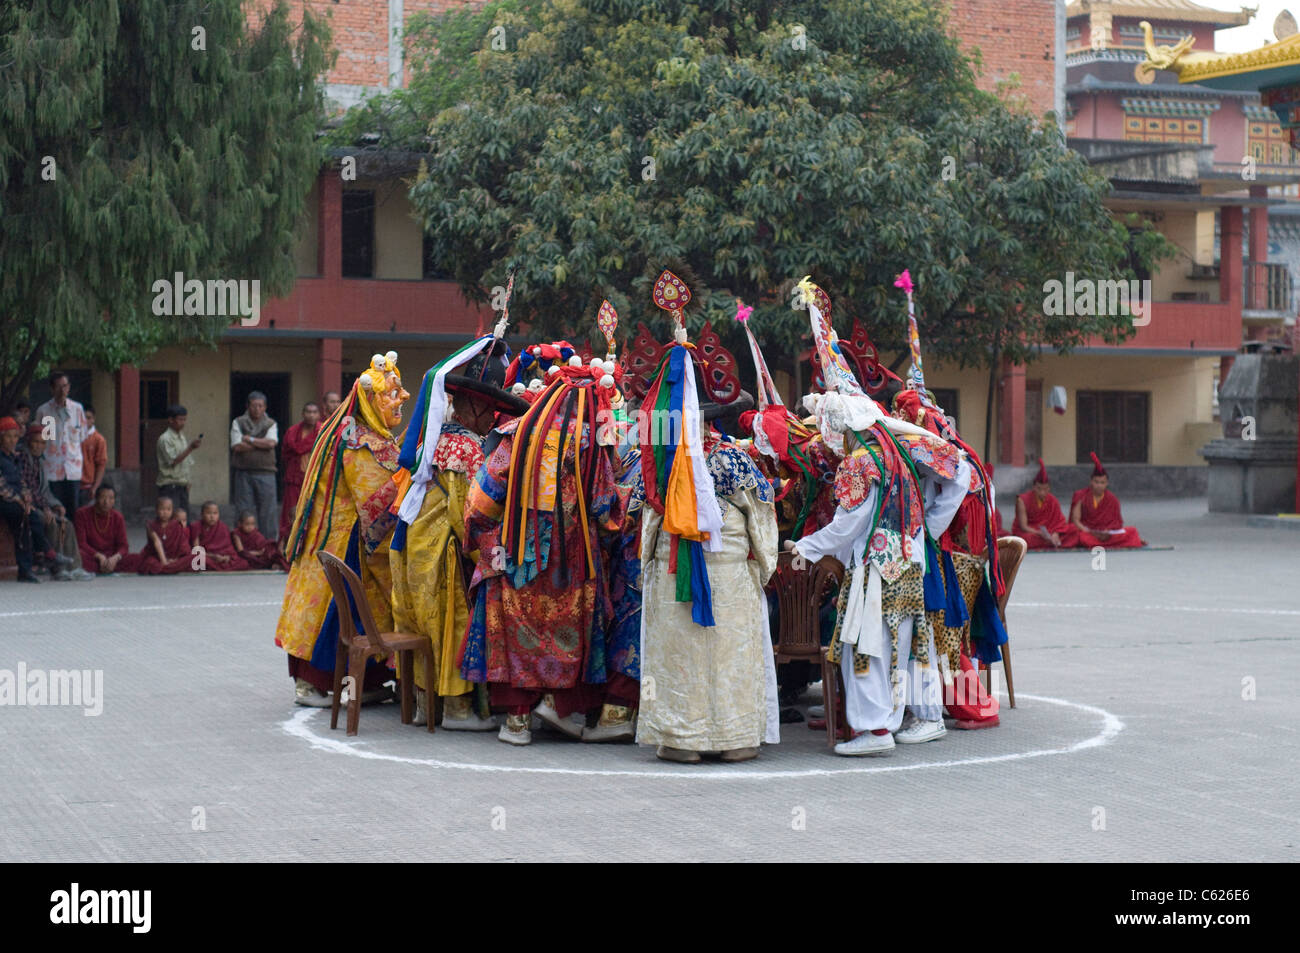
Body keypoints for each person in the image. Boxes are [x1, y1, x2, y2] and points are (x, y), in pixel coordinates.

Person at [790, 277, 971, 756]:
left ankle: (873, 730)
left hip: (875, 569)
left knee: (865, 645)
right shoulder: (897, 452)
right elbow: (961, 470)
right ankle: (895, 722)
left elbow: (850, 524)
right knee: (906, 642)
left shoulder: (860, 461)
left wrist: (804, 547)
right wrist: (921, 533)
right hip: (909, 563)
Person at [631, 272, 777, 764]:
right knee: (730, 659)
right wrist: (761, 565)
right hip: (730, 575)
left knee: (684, 663)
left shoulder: (657, 463)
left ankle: (683, 741)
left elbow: (647, 523)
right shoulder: (737, 460)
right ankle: (736, 739)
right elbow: (763, 521)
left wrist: (648, 567)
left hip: (677, 577)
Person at [458, 337, 630, 746]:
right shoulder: (588, 444)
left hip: (516, 556)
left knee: (517, 628)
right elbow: (606, 512)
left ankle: (516, 721)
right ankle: (558, 705)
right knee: (565, 628)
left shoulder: (513, 436)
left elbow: (480, 502)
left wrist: (486, 544)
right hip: (572, 563)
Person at [390, 331, 530, 730]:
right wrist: (487, 555)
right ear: (470, 406)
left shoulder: (429, 439)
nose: (492, 420)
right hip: (438, 553)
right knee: (449, 625)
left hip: (408, 547)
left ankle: (422, 705)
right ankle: (455, 710)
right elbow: (465, 515)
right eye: (488, 411)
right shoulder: (465, 447)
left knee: (419, 623)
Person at [276, 353, 409, 707]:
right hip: (340, 542)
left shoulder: (352, 431)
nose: (402, 400)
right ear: (370, 399)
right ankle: (311, 682)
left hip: (337, 540)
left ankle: (361, 684)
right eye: (391, 395)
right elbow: (376, 501)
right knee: (333, 610)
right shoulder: (360, 441)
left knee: (359, 609)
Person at [18, 424, 82, 579]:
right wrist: (47, 508)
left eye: (42, 443)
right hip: (27, 504)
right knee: (52, 522)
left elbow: (44, 490)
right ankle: (56, 568)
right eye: (36, 442)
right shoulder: (23, 458)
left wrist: (55, 505)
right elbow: (29, 489)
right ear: (28, 442)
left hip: (40, 503)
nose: (39, 446)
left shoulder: (39, 462)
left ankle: (74, 567)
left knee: (67, 523)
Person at [35, 371, 87, 514]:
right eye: (58, 387)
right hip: (52, 469)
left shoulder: (77, 409)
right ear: (52, 389)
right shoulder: (44, 411)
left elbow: (82, 436)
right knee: (55, 509)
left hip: (72, 469)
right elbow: (44, 439)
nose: (62, 390)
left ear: (69, 387)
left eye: (65, 386)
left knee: (73, 510)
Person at [1071, 452, 1145, 549]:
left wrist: (1108, 532)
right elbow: (1075, 520)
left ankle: (1107, 543)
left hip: (1108, 534)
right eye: (1096, 482)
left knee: (1132, 531)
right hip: (1088, 532)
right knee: (1081, 537)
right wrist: (1088, 531)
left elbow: (1117, 523)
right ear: (1091, 482)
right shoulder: (1081, 496)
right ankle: (1116, 543)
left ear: (1107, 483)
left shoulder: (1112, 499)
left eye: (1102, 482)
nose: (1099, 485)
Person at [230, 391, 278, 537]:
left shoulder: (271, 423)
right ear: (247, 406)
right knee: (244, 510)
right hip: (243, 472)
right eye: (254, 405)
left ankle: (268, 545)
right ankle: (243, 544)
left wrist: (249, 440)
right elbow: (236, 446)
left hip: (266, 473)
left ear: (265, 407)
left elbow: (271, 443)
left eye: (260, 406)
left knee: (268, 512)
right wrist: (261, 444)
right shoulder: (238, 422)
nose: (257, 409)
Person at [0, 416, 42, 583]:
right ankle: (43, 556)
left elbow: (22, 481)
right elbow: (2, 487)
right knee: (22, 516)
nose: (12, 440)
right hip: (4, 500)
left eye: (15, 436)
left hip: (16, 500)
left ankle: (36, 560)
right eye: (8, 436)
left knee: (33, 516)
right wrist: (18, 500)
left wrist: (26, 497)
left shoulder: (15, 457)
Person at [278, 402, 322, 546]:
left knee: (314, 513)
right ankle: (287, 546)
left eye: (314, 412)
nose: (311, 415)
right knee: (290, 514)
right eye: (308, 412)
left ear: (319, 415)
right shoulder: (292, 432)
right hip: (295, 479)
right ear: (303, 414)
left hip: (315, 480)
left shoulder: (323, 431)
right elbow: (285, 454)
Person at [1014, 459, 1080, 550]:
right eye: (1039, 489)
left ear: (1049, 488)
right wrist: (1039, 533)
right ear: (1033, 487)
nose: (1042, 492)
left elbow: (1060, 522)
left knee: (1073, 530)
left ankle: (1052, 541)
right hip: (1033, 532)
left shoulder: (1053, 500)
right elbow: (1023, 526)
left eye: (1045, 489)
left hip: (1050, 532)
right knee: (1024, 539)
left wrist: (1055, 534)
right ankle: (1052, 543)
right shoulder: (1022, 500)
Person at [123, 495, 193, 575]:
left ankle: (167, 568)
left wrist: (176, 559)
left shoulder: (177, 525)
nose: (165, 512)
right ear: (156, 510)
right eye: (162, 509)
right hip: (157, 558)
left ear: (172, 511)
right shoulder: (151, 525)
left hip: (175, 559)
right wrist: (164, 562)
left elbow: (183, 545)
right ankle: (170, 568)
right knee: (149, 564)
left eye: (168, 509)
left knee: (193, 558)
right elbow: (157, 542)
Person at [74, 484, 129, 575]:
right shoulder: (82, 514)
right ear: (96, 499)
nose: (106, 502)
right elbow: (81, 543)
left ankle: (107, 566)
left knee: (136, 558)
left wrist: (115, 558)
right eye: (103, 497)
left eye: (111, 498)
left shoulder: (117, 517)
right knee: (79, 556)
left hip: (111, 556)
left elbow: (124, 546)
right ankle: (105, 567)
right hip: (91, 556)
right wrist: (99, 556)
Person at [157, 404, 200, 515]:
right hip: (170, 485)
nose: (183, 422)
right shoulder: (165, 438)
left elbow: (187, 461)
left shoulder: (181, 436)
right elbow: (173, 461)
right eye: (180, 419)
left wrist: (188, 481)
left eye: (184, 419)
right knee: (171, 518)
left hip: (182, 484)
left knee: (183, 519)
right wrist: (191, 448)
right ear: (171, 420)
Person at [190, 502, 249, 571]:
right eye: (208, 513)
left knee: (244, 563)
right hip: (208, 556)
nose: (212, 516)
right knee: (197, 560)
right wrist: (213, 556)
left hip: (223, 558)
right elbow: (196, 550)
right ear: (202, 515)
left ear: (219, 514)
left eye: (215, 513)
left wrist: (227, 557)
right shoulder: (196, 526)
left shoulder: (223, 527)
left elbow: (228, 548)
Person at [79, 406, 108, 508]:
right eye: (83, 418)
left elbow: (101, 465)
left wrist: (95, 487)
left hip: (88, 486)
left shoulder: (98, 440)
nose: (85, 421)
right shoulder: (73, 436)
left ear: (93, 419)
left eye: (88, 417)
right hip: (73, 483)